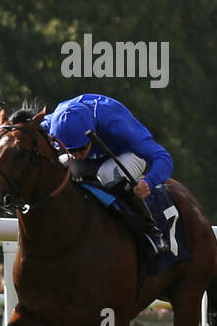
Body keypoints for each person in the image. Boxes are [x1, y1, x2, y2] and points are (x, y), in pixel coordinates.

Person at [43, 94, 171, 257]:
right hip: (95, 159)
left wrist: (150, 181)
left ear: (92, 133)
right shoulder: (54, 122)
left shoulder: (116, 124)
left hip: (126, 154)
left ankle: (150, 230)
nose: (76, 155)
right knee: (57, 167)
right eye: (70, 150)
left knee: (108, 175)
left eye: (81, 148)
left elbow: (163, 157)